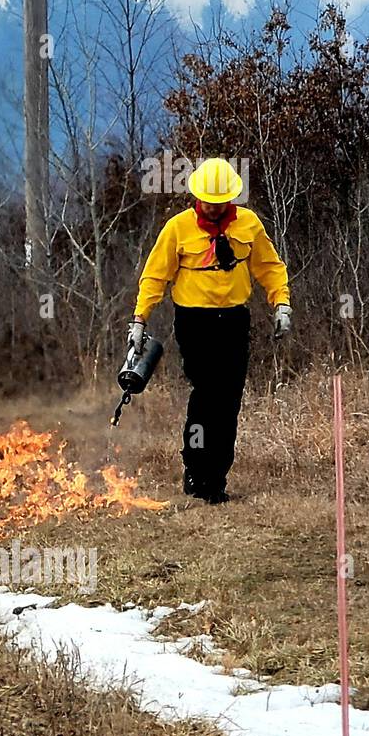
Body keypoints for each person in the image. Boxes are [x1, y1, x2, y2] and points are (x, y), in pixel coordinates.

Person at [130, 158, 291, 504]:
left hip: (233, 321)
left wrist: (282, 304)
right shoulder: (178, 229)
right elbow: (155, 276)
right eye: (208, 202)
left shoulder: (248, 225)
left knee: (229, 398)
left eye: (220, 203)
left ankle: (216, 478)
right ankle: (195, 468)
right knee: (207, 394)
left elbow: (270, 267)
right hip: (194, 323)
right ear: (196, 197)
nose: (213, 209)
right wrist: (140, 320)